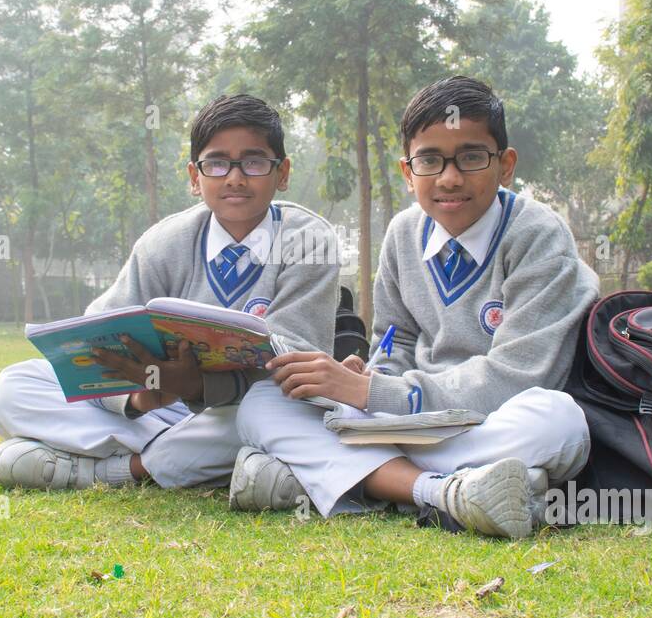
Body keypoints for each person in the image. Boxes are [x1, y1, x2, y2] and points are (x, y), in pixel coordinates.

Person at [232, 76, 600, 538]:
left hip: (491, 418)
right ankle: (448, 492)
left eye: (470, 157)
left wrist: (377, 394)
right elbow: (395, 340)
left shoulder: (538, 235)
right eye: (429, 160)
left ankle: (337, 480)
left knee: (557, 421)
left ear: (505, 165)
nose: (449, 177)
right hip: (409, 424)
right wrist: (369, 377)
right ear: (408, 173)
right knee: (263, 402)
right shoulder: (404, 234)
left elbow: (521, 375)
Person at [0, 94, 339, 491]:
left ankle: (109, 471)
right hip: (159, 412)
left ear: (283, 172)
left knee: (277, 411)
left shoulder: (309, 239)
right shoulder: (164, 241)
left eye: (254, 162)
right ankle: (184, 461)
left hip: (236, 413)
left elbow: (299, 362)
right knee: (13, 387)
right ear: (194, 176)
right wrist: (139, 398)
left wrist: (197, 386)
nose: (235, 178)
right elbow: (97, 335)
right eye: (217, 163)